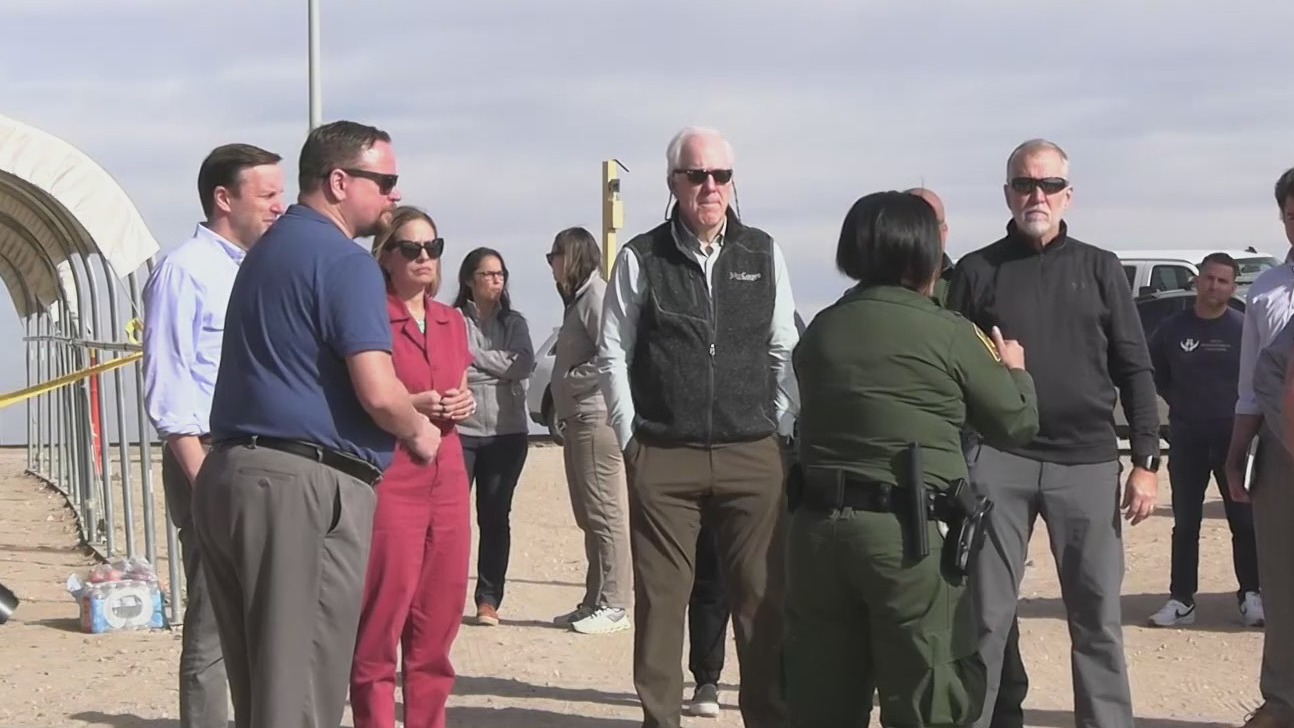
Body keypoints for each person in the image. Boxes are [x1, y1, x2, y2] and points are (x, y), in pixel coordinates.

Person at [192, 120, 443, 728]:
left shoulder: (265, 253)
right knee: (303, 691)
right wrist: (418, 429)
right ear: (338, 181)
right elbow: (379, 392)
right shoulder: (344, 261)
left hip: (235, 474)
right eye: (383, 181)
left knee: (263, 692)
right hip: (302, 488)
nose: (391, 196)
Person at [787, 189, 1038, 728]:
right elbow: (1015, 423)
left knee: (821, 697)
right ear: (924, 254)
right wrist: (1015, 369)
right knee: (929, 697)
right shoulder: (948, 332)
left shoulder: (823, 330)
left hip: (816, 534)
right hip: (909, 538)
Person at [946, 138, 1161, 728]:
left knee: (1096, 618)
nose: (1034, 196)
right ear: (1007, 193)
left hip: (1087, 462)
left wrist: (1146, 460)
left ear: (1067, 194)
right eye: (1023, 184)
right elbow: (951, 374)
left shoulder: (1100, 267)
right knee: (985, 617)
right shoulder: (976, 271)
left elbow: (1135, 367)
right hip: (998, 459)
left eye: (1046, 186)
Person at [598, 125, 798, 728]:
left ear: (733, 183)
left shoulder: (762, 251)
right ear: (673, 183)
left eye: (721, 176)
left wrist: (782, 430)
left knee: (763, 602)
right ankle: (661, 718)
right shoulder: (642, 256)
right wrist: (632, 439)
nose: (710, 187)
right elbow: (613, 350)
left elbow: (782, 345)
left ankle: (769, 716)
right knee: (661, 604)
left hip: (752, 451)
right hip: (665, 452)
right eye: (696, 175)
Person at [142, 142, 285, 728]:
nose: (281, 206)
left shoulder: (262, 269)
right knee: (212, 621)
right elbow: (168, 386)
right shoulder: (185, 271)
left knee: (266, 614)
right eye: (268, 194)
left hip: (266, 459)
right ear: (224, 199)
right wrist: (205, 481)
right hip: (210, 457)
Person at [906, 185, 1030, 728]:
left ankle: (1003, 705)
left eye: (931, 223)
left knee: (985, 593)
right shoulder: (882, 295)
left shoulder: (967, 284)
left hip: (968, 458)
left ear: (944, 232)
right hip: (910, 466)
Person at [350, 206, 476, 728]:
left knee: (437, 624)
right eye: (412, 248)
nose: (425, 258)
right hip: (393, 476)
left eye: (433, 247)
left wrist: (462, 403)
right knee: (381, 623)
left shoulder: (452, 321)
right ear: (387, 258)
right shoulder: (370, 316)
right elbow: (366, 394)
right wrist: (412, 405)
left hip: (448, 478)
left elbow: (460, 384)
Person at [1146, 252, 1261, 628]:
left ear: (1232, 287)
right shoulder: (1172, 329)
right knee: (1187, 522)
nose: (1215, 286)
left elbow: (1261, 381)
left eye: (1223, 281)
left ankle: (1251, 596)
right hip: (1187, 436)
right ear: (1197, 281)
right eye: (1209, 279)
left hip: (1234, 437)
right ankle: (1181, 600)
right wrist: (1177, 400)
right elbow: (1154, 373)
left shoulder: (1243, 329)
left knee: (1243, 520)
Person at [1224, 166, 1294, 728]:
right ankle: (1283, 698)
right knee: (1282, 577)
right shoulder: (1267, 291)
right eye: (1293, 216)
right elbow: (1250, 383)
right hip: (1282, 449)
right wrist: (1236, 452)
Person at [544, 227, 634, 636]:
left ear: (574, 256)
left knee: (605, 514)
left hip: (595, 420)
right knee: (587, 515)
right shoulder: (577, 300)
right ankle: (594, 600)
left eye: (555, 255)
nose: (551, 264)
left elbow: (616, 352)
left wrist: (576, 379)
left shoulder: (596, 296)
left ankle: (615, 603)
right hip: (575, 420)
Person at [453, 247, 535, 627]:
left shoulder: (514, 322)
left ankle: (488, 599)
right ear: (469, 279)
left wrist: (473, 360)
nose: (496, 280)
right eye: (487, 274)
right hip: (461, 432)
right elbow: (448, 363)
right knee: (452, 518)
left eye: (500, 273)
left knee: (495, 516)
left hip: (507, 432)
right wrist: (493, 366)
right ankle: (446, 596)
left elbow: (522, 364)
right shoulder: (451, 321)